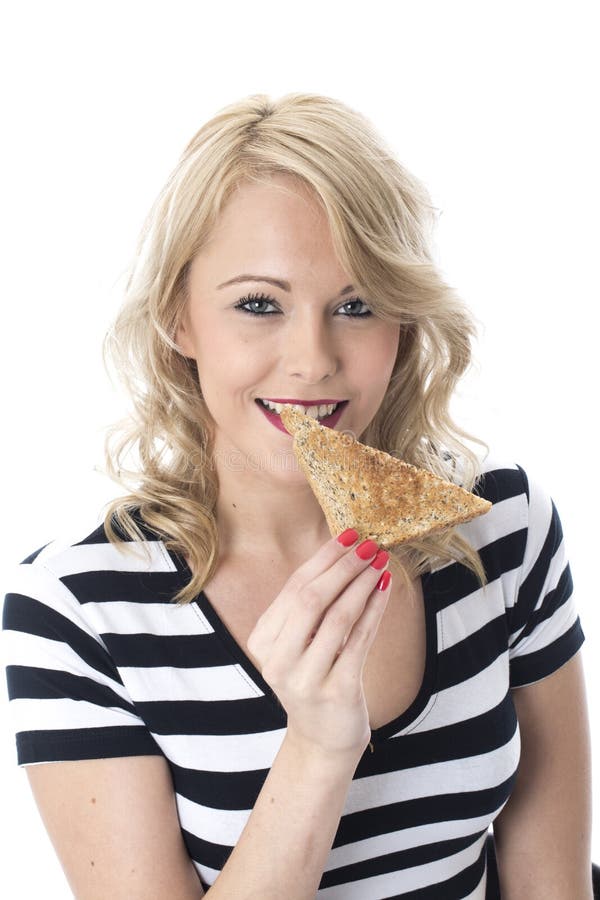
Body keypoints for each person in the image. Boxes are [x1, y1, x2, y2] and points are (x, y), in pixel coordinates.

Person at [2, 93, 594, 899]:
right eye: (258, 305)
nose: (312, 360)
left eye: (356, 306)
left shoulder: (501, 527)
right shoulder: (75, 612)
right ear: (180, 318)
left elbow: (550, 874)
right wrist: (317, 744)